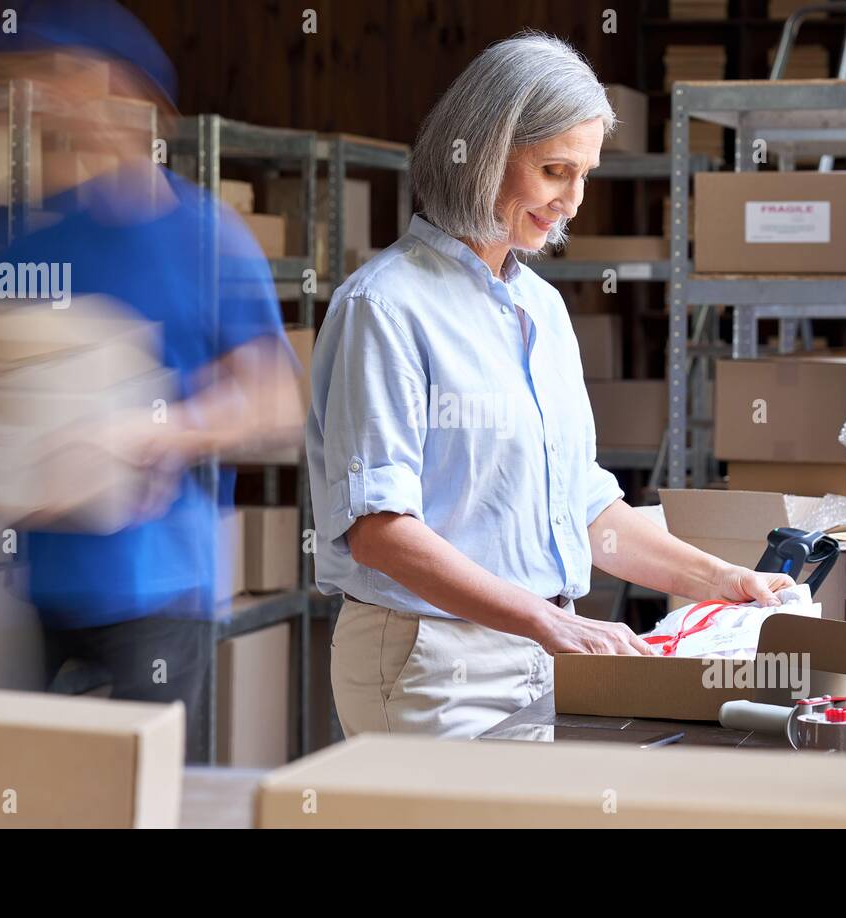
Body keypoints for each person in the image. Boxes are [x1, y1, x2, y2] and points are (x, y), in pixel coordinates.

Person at [306, 32, 793, 741]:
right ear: (478, 153)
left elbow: (584, 506)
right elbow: (380, 531)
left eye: (585, 174)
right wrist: (549, 620)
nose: (573, 201)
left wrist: (718, 580)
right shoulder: (383, 308)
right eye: (555, 170)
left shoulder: (540, 308)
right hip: (433, 662)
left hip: (541, 649)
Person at [0, 1, 303, 758]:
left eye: (67, 76)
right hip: (39, 583)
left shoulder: (203, 237)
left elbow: (275, 397)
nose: (46, 97)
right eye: (38, 79)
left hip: (158, 590)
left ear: (134, 96)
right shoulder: (30, 241)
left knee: (148, 796)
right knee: (33, 793)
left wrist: (156, 431)